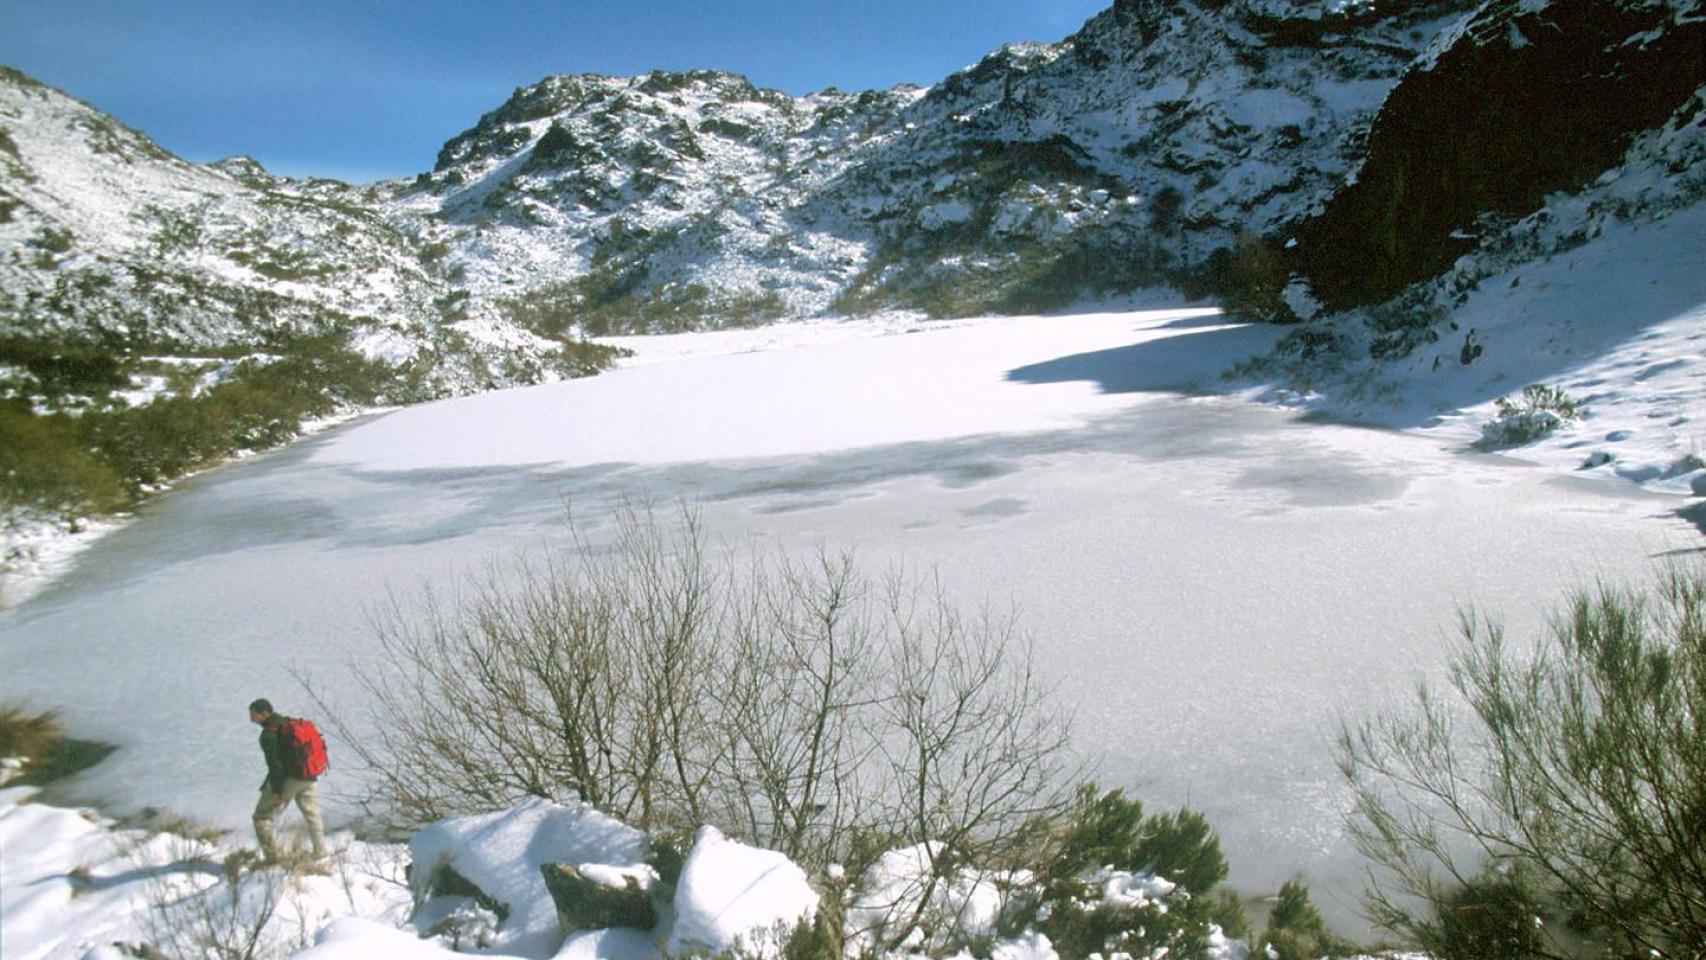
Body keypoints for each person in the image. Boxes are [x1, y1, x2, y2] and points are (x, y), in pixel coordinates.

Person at [248, 697, 327, 862]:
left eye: (253, 715)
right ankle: (321, 852)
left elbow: (275, 765)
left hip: (290, 778)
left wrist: (276, 790)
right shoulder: (289, 723)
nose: (251, 719)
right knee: (312, 814)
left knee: (262, 818)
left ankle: (274, 858)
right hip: (309, 775)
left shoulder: (269, 734)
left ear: (264, 714)